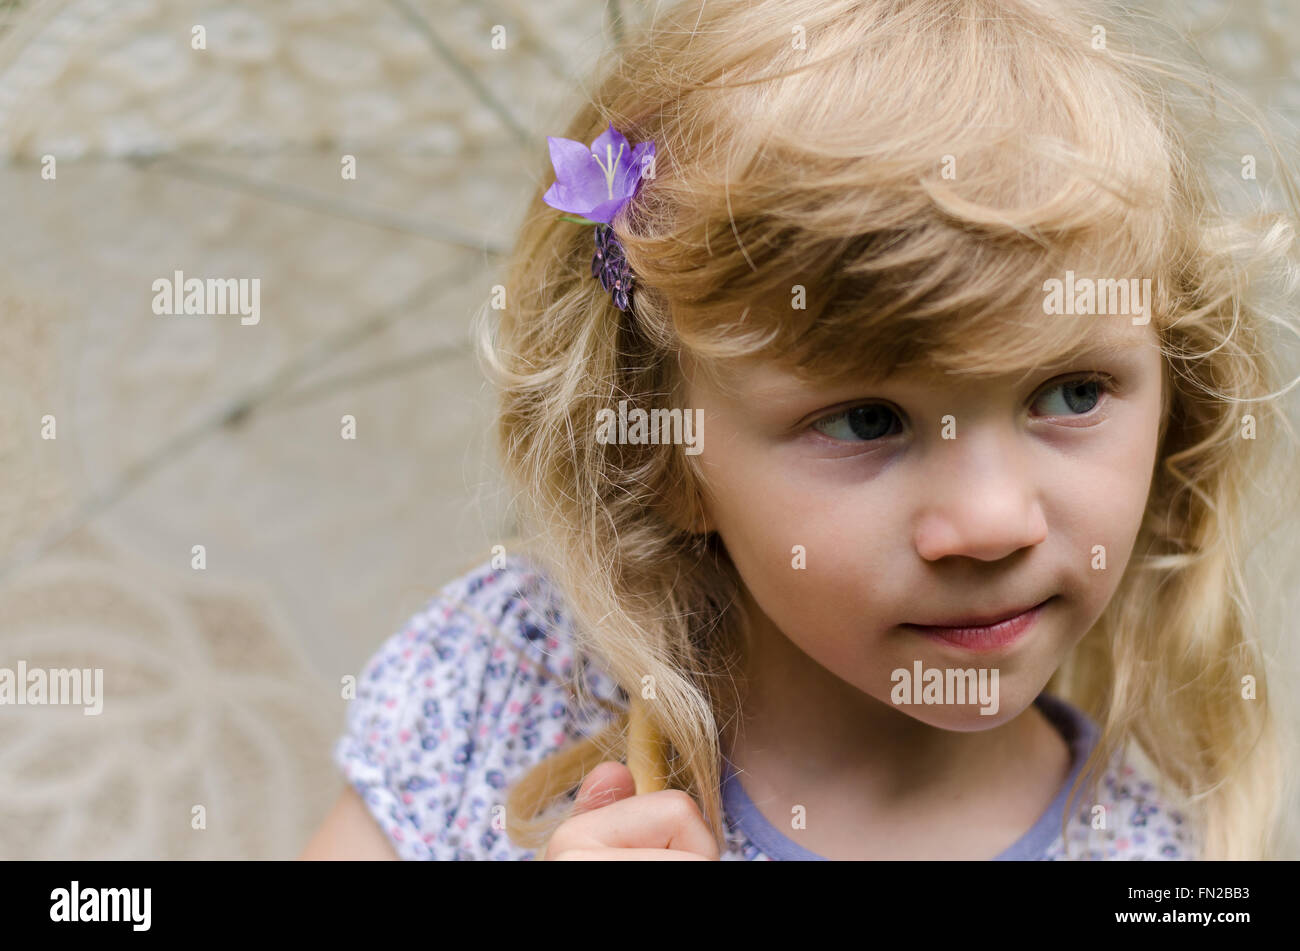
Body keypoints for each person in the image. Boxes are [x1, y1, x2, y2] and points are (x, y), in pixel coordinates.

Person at [300, 0, 1300, 860]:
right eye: (866, 419)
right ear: (662, 452)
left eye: (1072, 394)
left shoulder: (1156, 854)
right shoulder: (505, 685)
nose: (992, 522)